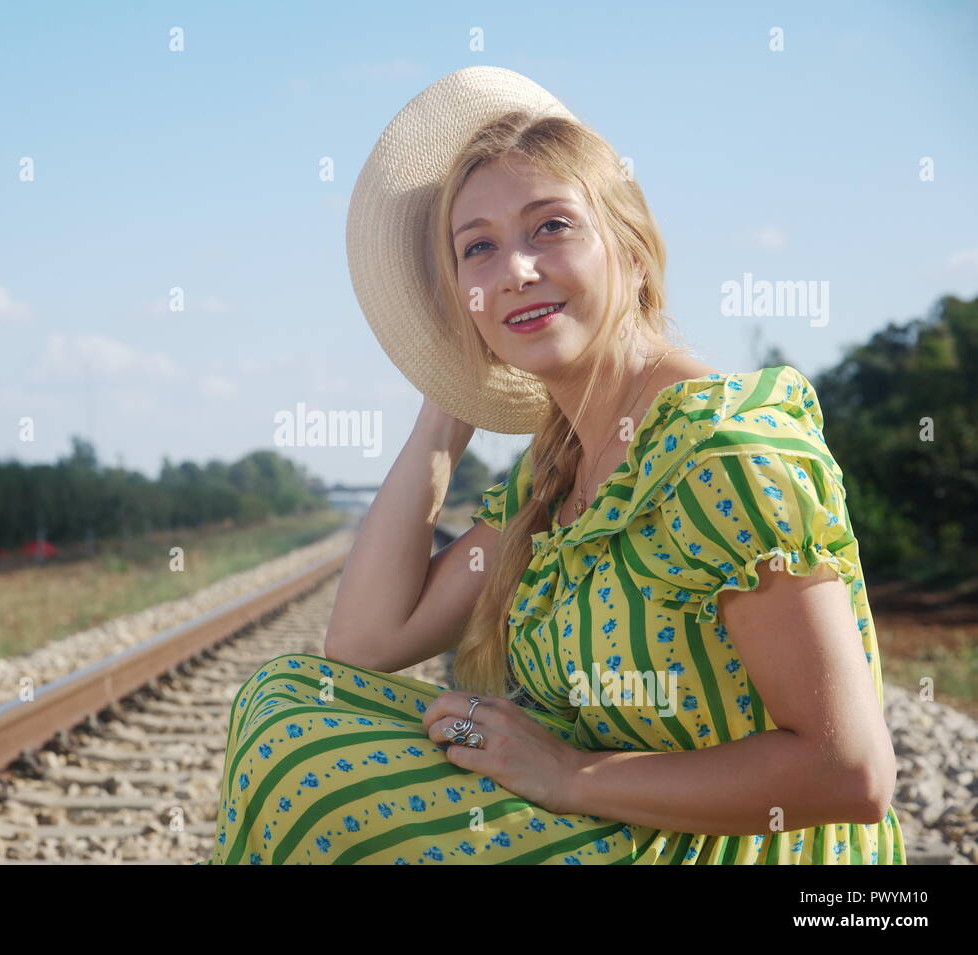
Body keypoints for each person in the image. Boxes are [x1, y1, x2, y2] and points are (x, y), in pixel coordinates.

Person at [204, 67, 905, 864]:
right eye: (480, 250)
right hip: (611, 824)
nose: (515, 271)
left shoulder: (725, 452)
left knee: (308, 773)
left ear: (634, 253)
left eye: (551, 227)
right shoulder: (556, 482)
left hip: (725, 849)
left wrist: (571, 774)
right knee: (287, 700)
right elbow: (363, 644)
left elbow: (848, 769)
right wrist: (447, 396)